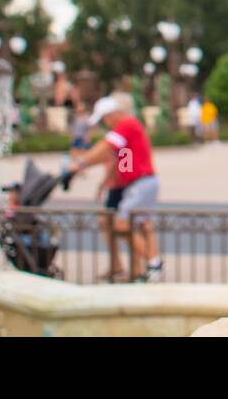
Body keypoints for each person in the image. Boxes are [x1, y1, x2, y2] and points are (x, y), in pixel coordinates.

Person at [67, 94, 163, 281]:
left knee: (126, 223)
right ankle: (135, 268)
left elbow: (106, 148)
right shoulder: (124, 132)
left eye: (105, 118)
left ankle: (153, 263)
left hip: (141, 182)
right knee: (124, 222)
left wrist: (79, 164)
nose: (106, 123)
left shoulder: (127, 125)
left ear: (113, 114)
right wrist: (109, 182)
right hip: (132, 183)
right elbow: (120, 160)